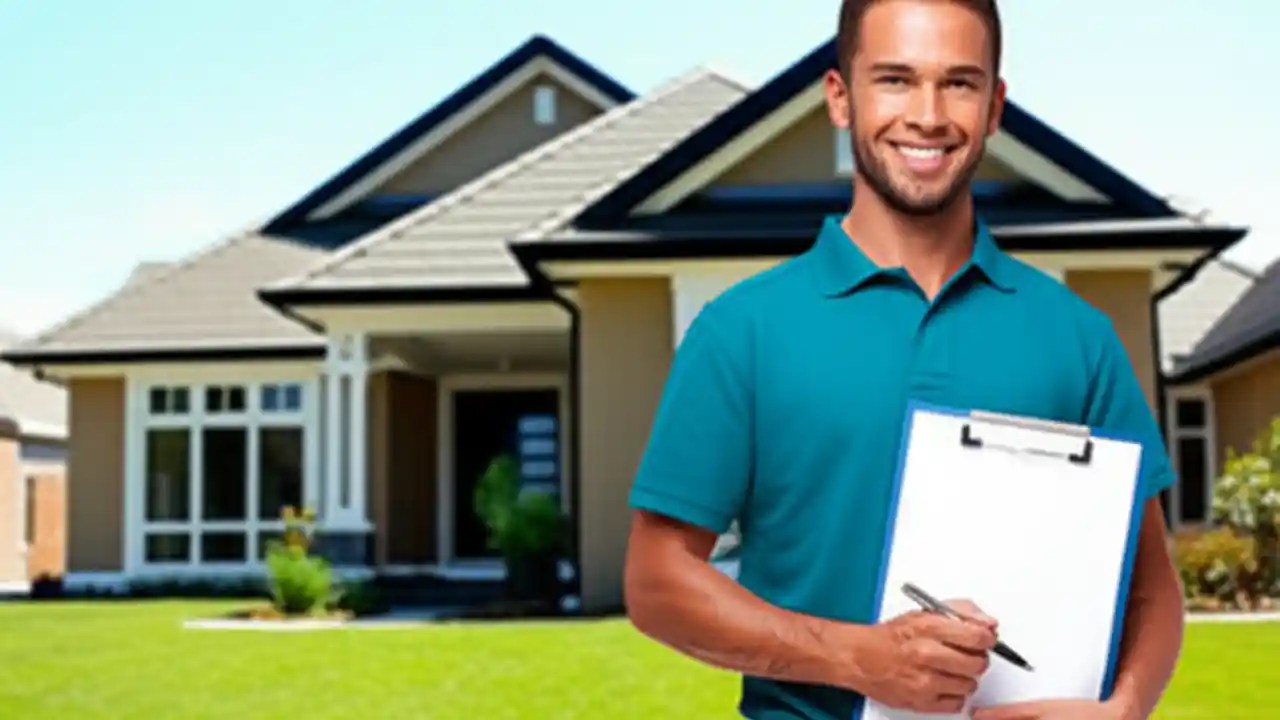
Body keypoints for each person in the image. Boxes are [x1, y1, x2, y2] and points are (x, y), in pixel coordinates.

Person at [621, 0, 1186, 718]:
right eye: (894, 79)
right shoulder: (742, 331)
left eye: (959, 83)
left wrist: (1125, 708)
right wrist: (854, 657)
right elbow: (656, 580)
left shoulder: (1078, 337)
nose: (928, 114)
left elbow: (1151, 587)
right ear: (839, 98)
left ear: (994, 107)